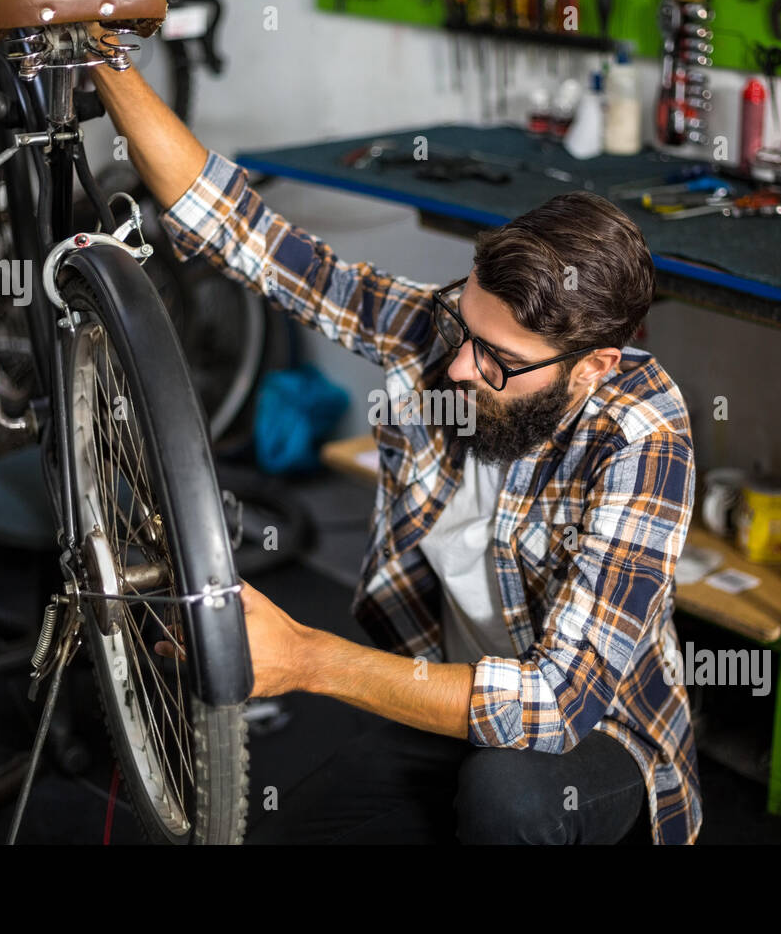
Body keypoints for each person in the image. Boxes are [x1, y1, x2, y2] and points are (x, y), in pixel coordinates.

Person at [89, 54, 700, 845]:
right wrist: (103, 55)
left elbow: (555, 703)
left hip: (598, 738)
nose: (454, 366)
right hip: (444, 693)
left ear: (592, 368)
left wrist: (309, 659)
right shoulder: (445, 333)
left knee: (506, 795)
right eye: (463, 328)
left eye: (498, 362)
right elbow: (242, 232)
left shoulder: (642, 435)